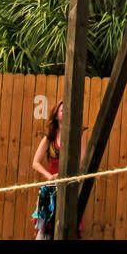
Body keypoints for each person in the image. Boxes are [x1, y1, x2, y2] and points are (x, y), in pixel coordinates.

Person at [30, 100, 86, 239]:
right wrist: (49, 177)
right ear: (56, 116)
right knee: (45, 228)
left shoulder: (79, 134)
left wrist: (69, 176)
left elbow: (82, 163)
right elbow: (35, 163)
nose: (66, 111)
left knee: (69, 225)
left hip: (70, 186)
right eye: (62, 110)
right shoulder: (50, 137)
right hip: (50, 187)